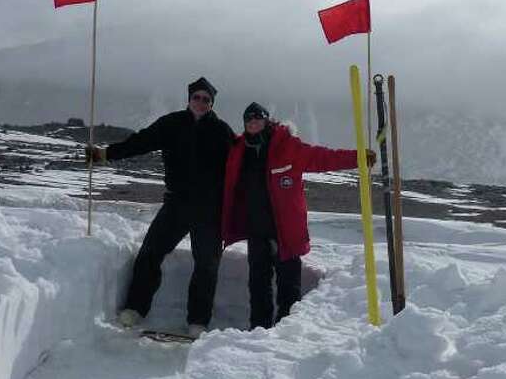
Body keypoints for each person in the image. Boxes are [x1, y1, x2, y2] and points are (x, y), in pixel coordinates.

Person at [87, 77, 234, 336]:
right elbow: (140, 142)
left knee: (207, 264)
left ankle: (198, 322)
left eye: (206, 99)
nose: (201, 102)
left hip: (209, 210)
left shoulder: (222, 131)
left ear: (212, 104)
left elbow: (241, 162)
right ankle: (135, 308)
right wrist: (106, 154)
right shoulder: (171, 124)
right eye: (197, 97)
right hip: (177, 204)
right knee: (150, 253)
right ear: (189, 99)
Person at [221, 102, 374, 329]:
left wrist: (358, 158)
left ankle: (286, 330)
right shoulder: (238, 149)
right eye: (248, 119)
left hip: (285, 229)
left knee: (289, 283)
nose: (253, 122)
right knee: (258, 283)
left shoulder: (287, 146)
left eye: (257, 118)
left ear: (266, 121)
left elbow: (323, 158)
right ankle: (259, 329)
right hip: (256, 229)